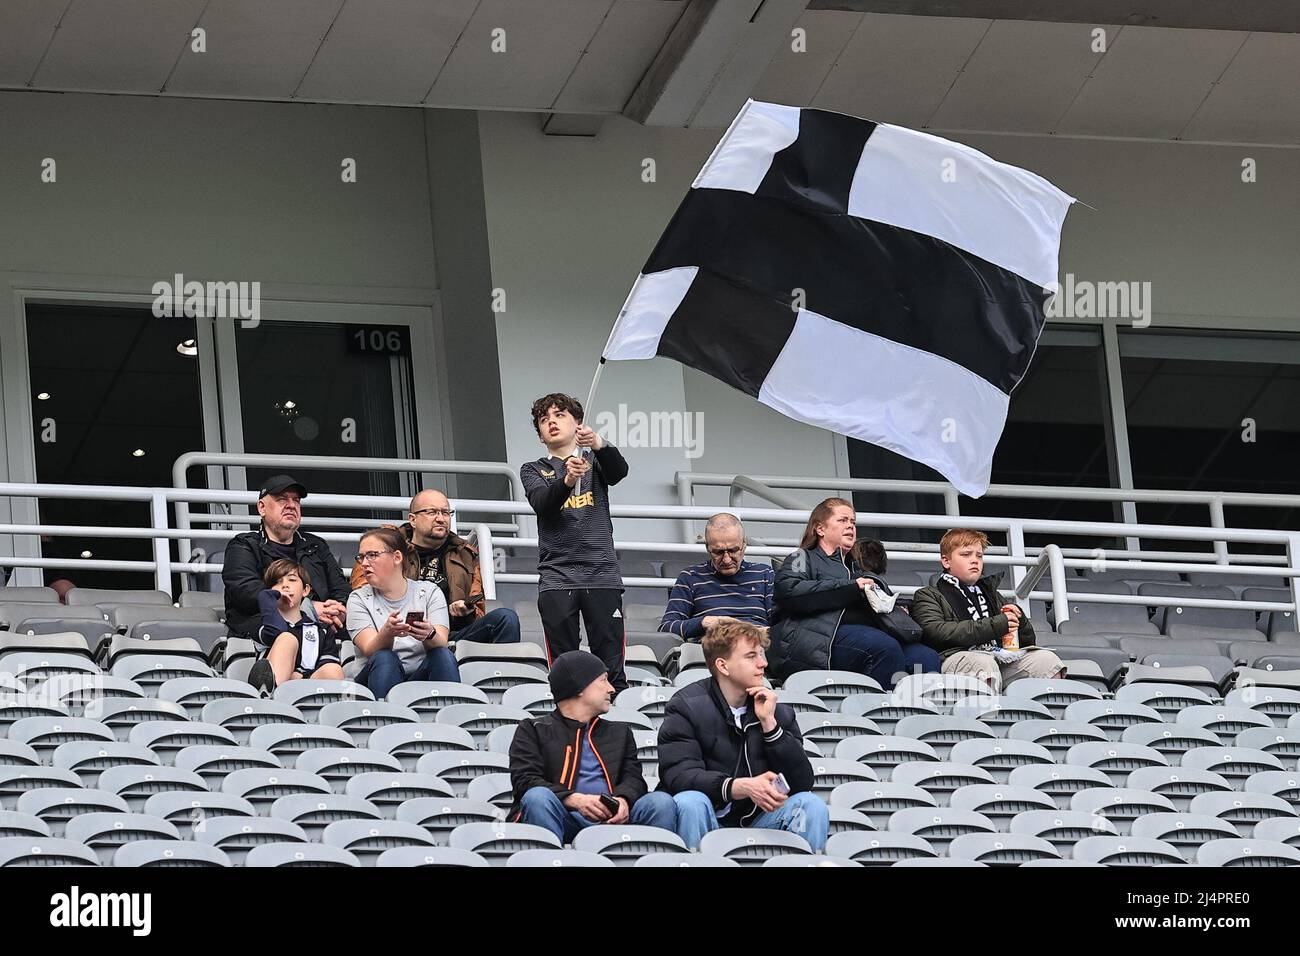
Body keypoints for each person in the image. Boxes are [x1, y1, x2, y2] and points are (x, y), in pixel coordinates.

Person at [657, 620, 828, 851]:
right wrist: (739, 786)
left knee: (810, 805)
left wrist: (771, 727)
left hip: (759, 820)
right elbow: (679, 776)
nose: (763, 663)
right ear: (723, 666)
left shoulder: (776, 711)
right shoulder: (687, 706)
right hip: (708, 816)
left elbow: (802, 782)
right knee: (690, 801)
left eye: (762, 654)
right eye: (751, 656)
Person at [768, 497, 941, 688]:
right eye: (843, 520)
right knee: (884, 647)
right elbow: (789, 590)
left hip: (863, 635)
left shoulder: (857, 568)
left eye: (853, 522)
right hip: (812, 639)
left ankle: (916, 707)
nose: (850, 526)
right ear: (820, 529)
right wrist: (850, 588)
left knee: (925, 657)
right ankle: (881, 706)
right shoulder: (801, 557)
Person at [520, 392, 630, 691]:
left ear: (578, 423)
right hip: (557, 578)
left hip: (601, 574)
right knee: (565, 666)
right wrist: (567, 480)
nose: (552, 422)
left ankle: (615, 716)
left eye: (560, 415)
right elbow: (543, 504)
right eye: (544, 419)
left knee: (611, 667)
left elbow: (619, 472)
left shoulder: (595, 459)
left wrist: (598, 443)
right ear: (540, 435)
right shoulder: (533, 468)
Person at [508, 650, 677, 843]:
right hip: (564, 816)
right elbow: (525, 781)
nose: (611, 689)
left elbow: (634, 780)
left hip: (614, 819)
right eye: (603, 680)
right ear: (579, 686)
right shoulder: (533, 729)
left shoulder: (620, 732)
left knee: (660, 802)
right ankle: (552, 857)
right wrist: (575, 800)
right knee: (537, 797)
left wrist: (623, 800)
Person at [347, 489, 520, 644]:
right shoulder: (385, 548)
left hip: (448, 637)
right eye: (432, 512)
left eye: (446, 513)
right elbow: (365, 595)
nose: (441, 519)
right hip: (397, 634)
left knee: (506, 618)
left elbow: (478, 612)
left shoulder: (465, 554)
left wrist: (465, 612)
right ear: (412, 519)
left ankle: (502, 672)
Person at [911, 528, 1065, 693]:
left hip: (998, 658)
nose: (974, 560)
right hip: (954, 658)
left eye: (979, 556)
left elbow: (1027, 642)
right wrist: (997, 625)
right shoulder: (928, 594)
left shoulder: (990, 593)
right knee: (983, 662)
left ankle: (1044, 708)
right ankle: (990, 709)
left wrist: (1019, 621)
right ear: (946, 561)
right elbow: (937, 633)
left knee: (1046, 661)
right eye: (966, 555)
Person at [222, 475, 350, 642]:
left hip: (325, 628)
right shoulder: (243, 545)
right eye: (282, 499)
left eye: (296, 500)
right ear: (262, 508)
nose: (291, 505)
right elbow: (247, 592)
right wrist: (305, 608)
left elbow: (341, 588)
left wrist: (338, 610)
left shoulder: (316, 545)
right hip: (266, 631)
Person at [346, 527, 457, 699]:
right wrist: (387, 633)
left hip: (419, 675)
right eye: (361, 557)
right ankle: (384, 714)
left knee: (443, 654)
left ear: (397, 557)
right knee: (385, 658)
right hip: (373, 678)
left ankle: (451, 711)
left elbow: (441, 641)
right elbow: (369, 649)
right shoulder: (358, 599)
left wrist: (429, 634)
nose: (364, 563)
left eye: (372, 555)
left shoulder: (429, 592)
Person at [660, 513, 775, 640]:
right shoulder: (690, 577)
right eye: (718, 552)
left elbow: (782, 625)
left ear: (744, 545)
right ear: (707, 548)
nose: (726, 560)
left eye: (733, 550)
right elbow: (666, 628)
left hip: (756, 643)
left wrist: (763, 632)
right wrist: (704, 622)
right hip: (711, 647)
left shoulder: (764, 574)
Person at [247, 560, 344, 695]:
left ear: (305, 590)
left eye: (292, 580)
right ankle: (269, 697)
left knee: (333, 670)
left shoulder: (321, 629)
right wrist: (266, 597)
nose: (285, 585)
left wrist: (298, 676)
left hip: (307, 688)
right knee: (288, 639)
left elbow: (326, 666)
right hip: (273, 686)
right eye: (277, 582)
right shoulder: (261, 622)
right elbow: (275, 632)